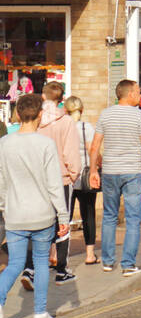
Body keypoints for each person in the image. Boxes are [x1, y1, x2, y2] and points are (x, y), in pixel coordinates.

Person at [0, 93, 69, 318]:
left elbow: (1, 182)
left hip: (15, 214)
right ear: (40, 115)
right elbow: (54, 184)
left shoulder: (4, 144)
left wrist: (3, 207)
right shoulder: (45, 144)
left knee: (14, 264)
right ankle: (40, 314)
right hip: (42, 215)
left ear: (17, 114)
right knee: (41, 263)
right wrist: (63, 216)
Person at [88, 79, 141, 277]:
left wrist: (93, 171)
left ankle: (107, 261)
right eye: (138, 92)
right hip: (132, 173)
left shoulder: (105, 114)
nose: (140, 95)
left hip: (110, 172)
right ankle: (128, 264)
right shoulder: (140, 117)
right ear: (129, 94)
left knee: (110, 217)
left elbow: (94, 146)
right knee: (133, 219)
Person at [21, 81, 79, 288]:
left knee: (34, 223)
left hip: (36, 179)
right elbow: (71, 153)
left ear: (43, 97)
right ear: (62, 99)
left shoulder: (33, 120)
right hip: (60, 179)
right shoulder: (66, 122)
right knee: (62, 225)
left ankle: (30, 268)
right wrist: (73, 174)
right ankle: (61, 270)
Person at [64, 96, 100, 267]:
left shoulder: (63, 127)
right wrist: (98, 165)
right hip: (84, 177)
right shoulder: (86, 128)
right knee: (88, 215)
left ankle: (57, 254)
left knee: (64, 216)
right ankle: (90, 254)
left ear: (66, 110)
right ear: (82, 110)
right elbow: (92, 150)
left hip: (66, 177)